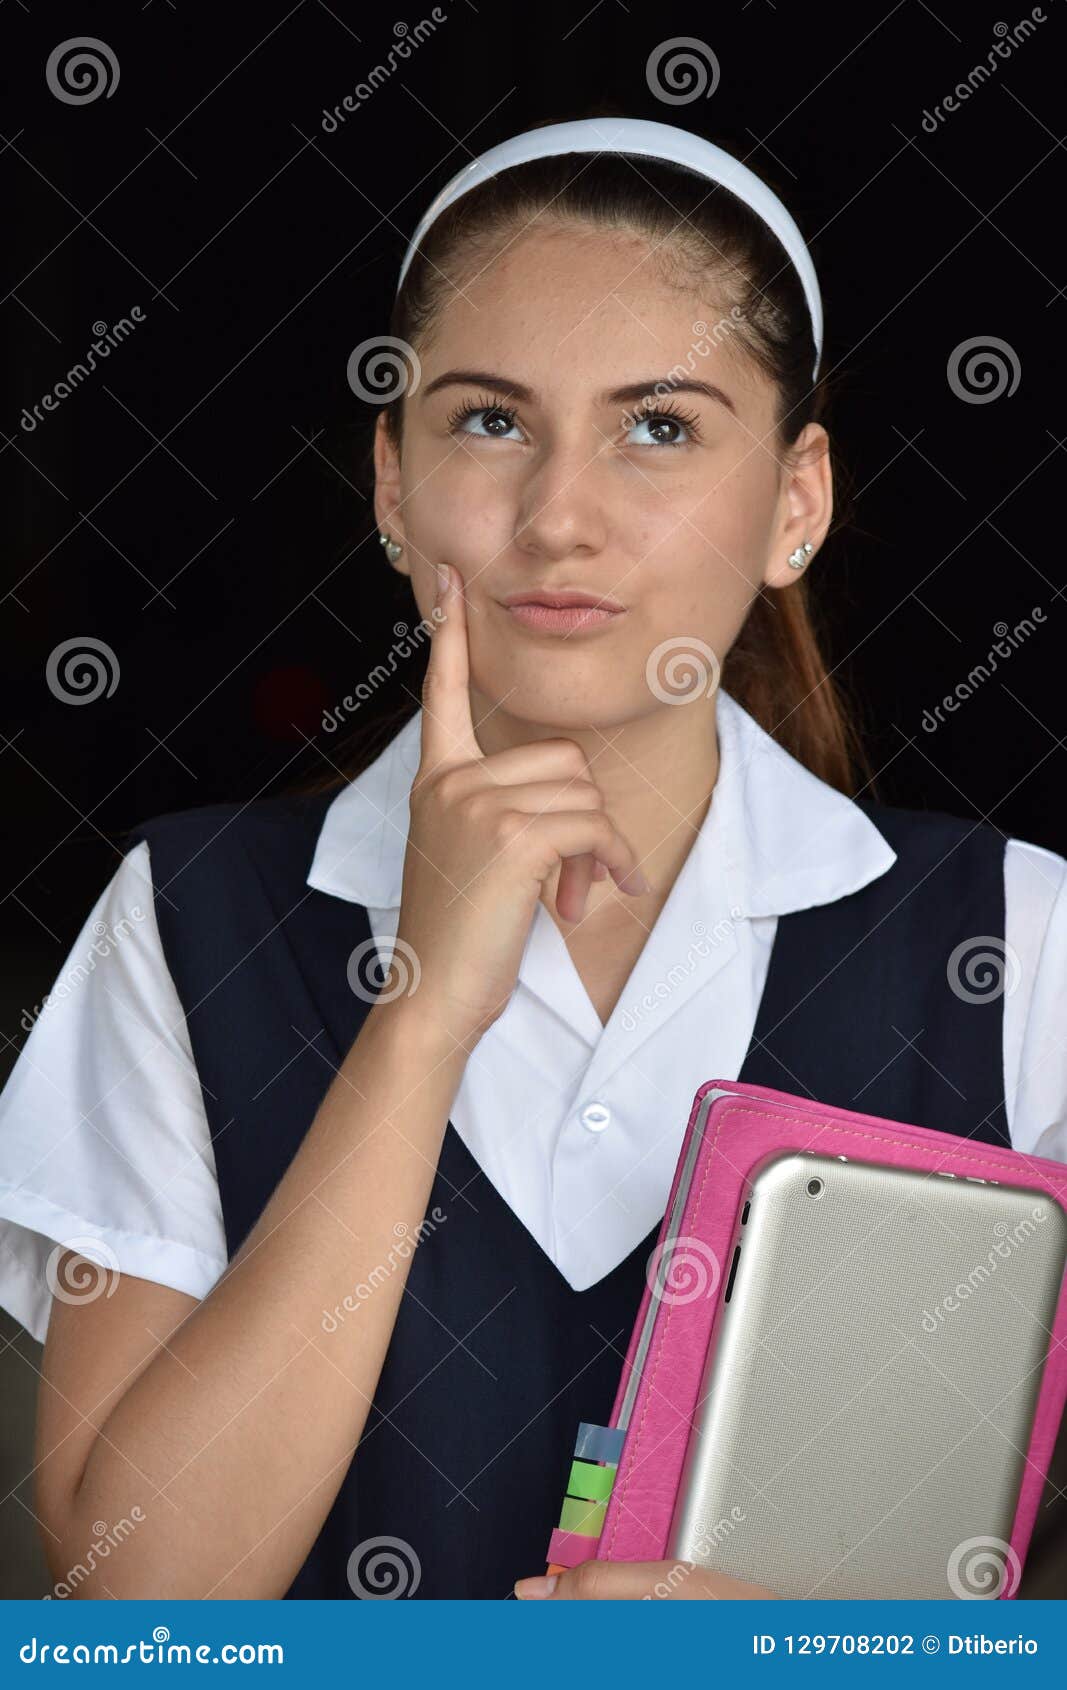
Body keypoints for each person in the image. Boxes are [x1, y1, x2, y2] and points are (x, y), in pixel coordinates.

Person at [1, 111, 1065, 1602]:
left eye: (662, 426)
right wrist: (421, 1015)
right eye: (490, 420)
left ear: (797, 501)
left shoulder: (1015, 939)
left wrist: (832, 1650)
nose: (560, 518)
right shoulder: (188, 919)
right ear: (391, 482)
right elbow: (137, 1600)